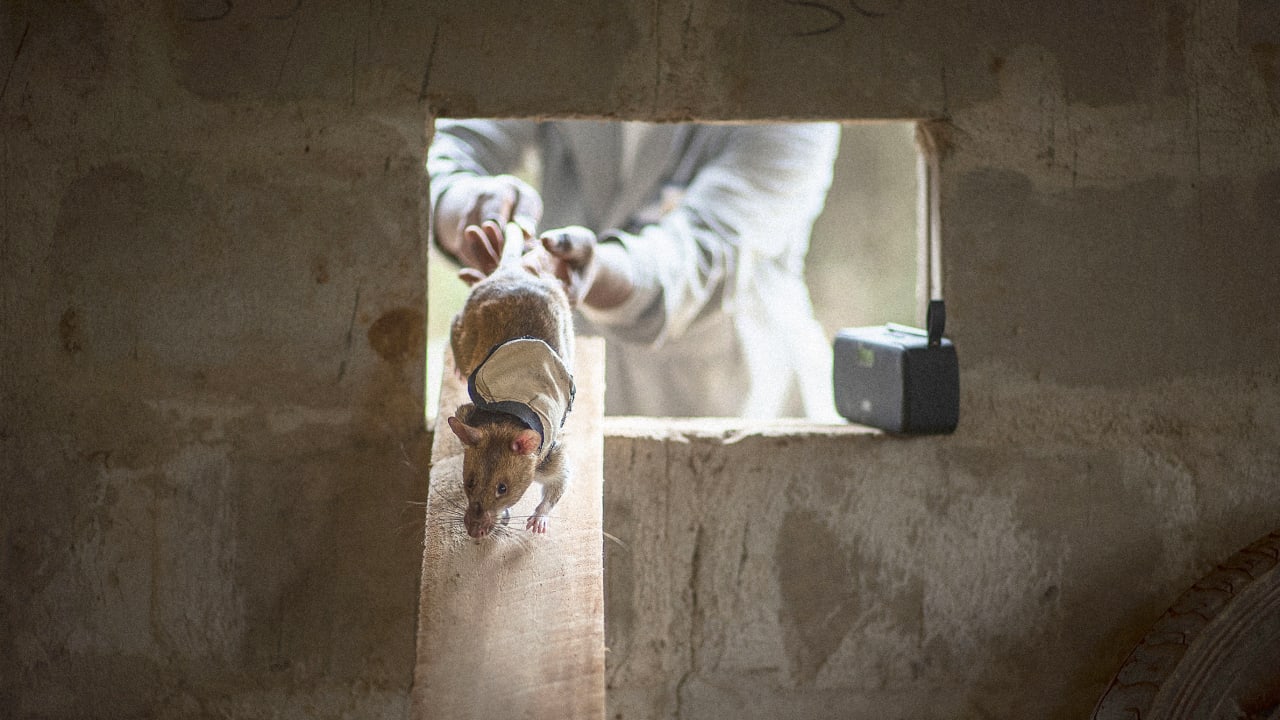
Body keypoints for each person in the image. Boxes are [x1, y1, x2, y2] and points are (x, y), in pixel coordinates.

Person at [428, 119, 841, 419]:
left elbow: (704, 253)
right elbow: (445, 153)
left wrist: (591, 269)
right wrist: (463, 203)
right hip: (565, 404)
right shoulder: (558, 24)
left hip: (735, 402)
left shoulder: (792, 73)